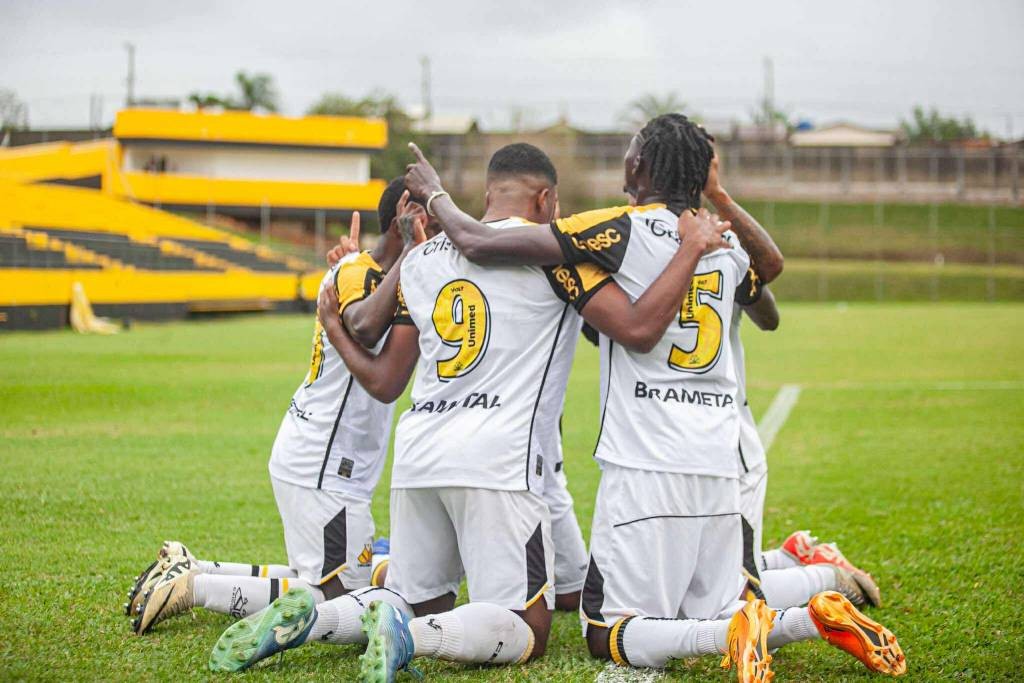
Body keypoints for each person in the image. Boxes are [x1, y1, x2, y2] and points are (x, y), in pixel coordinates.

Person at [402, 114, 906, 679]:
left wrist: (435, 194)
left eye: (630, 151)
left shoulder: (618, 229)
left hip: (646, 460)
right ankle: (811, 617)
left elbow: (478, 242)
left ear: (640, 164)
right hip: (719, 459)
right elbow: (767, 302)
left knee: (608, 632)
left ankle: (742, 630)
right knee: (717, 600)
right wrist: (712, 216)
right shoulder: (725, 242)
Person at [206, 142, 732, 678]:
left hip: (419, 457)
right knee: (527, 626)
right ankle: (407, 640)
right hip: (497, 462)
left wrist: (339, 323)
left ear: (486, 195)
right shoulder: (554, 259)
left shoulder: (424, 259)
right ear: (546, 200)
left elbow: (385, 367)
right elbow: (633, 327)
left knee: (417, 595)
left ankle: (317, 621)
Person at [126, 178, 423, 636]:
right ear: (410, 216)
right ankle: (193, 587)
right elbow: (364, 333)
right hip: (325, 468)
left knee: (325, 581)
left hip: (319, 458)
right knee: (337, 602)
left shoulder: (360, 270)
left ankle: (194, 568)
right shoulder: (363, 274)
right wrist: (405, 253)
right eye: (436, 219)